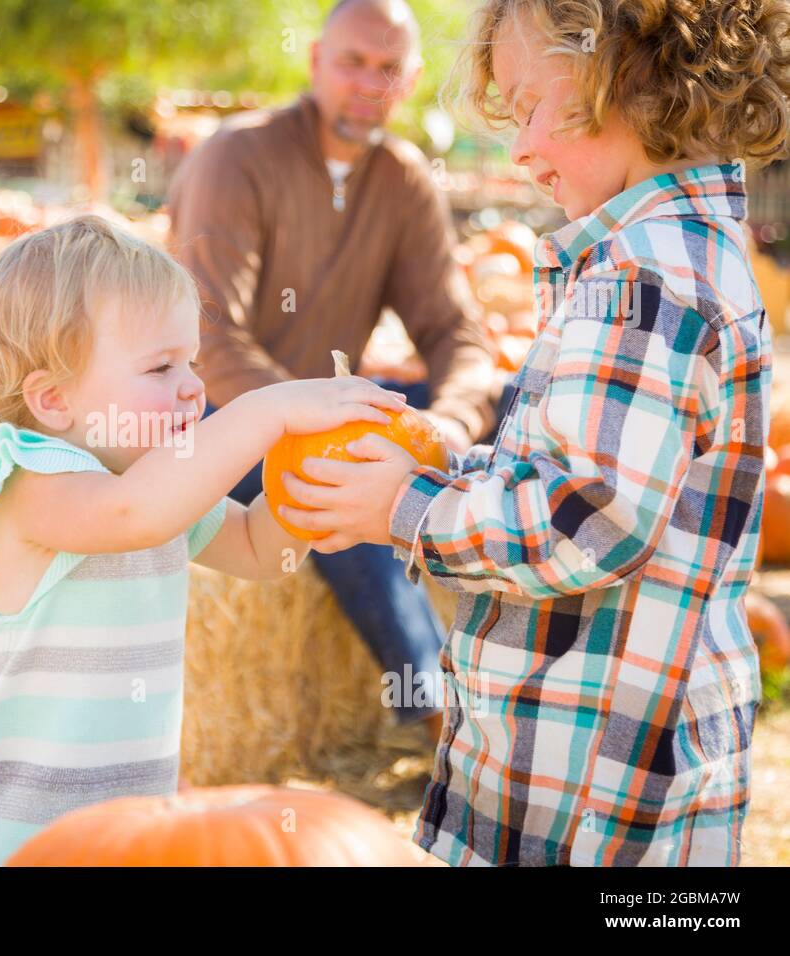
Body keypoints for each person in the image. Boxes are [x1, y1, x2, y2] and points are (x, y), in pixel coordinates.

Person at [274, 0, 789, 865]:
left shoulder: (644, 279)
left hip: (595, 785)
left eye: (529, 106)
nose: (517, 149)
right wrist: (449, 457)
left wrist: (405, 508)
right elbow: (577, 474)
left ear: (620, 74)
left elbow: (586, 520)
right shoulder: (675, 254)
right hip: (601, 754)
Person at [0, 215, 408, 865]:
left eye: (192, 361)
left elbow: (261, 554)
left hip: (124, 835)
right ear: (53, 399)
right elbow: (131, 516)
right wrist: (269, 408)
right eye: (160, 367)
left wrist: (309, 489)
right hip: (13, 843)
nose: (193, 387)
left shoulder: (151, 484)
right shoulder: (29, 484)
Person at [169, 0, 501, 742]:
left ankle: (546, 665)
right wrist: (303, 417)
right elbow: (208, 339)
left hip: (341, 407)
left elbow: (456, 333)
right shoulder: (238, 157)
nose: (369, 83)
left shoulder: (403, 180)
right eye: (353, 62)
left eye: (389, 69)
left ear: (411, 79)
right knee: (337, 479)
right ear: (316, 60)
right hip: (228, 421)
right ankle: (445, 718)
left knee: (513, 406)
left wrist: (444, 425)